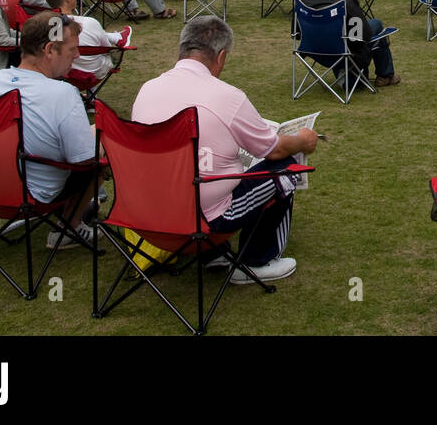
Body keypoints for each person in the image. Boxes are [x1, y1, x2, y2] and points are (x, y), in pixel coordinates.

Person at [133, 16, 318, 282]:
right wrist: (302, 140)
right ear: (220, 57)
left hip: (148, 213)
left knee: (211, 165)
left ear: (182, 49)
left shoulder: (147, 89)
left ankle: (214, 254)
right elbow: (274, 150)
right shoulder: (227, 97)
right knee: (287, 168)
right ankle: (256, 260)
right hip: (202, 220)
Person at [0, 14, 98, 247]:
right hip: (31, 196)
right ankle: (69, 226)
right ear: (49, 49)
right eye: (72, 49)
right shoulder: (62, 94)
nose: (77, 56)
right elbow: (86, 160)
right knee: (104, 143)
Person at [300, 0, 401, 86]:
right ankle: (385, 75)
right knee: (376, 24)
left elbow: (297, 33)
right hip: (341, 52)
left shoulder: (302, 3)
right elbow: (362, 35)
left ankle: (354, 75)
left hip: (314, 51)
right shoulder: (345, 2)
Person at [42, 0, 130, 82]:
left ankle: (116, 37)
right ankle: (116, 37)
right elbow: (107, 47)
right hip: (92, 72)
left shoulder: (45, 25)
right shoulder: (89, 22)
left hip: (60, 73)